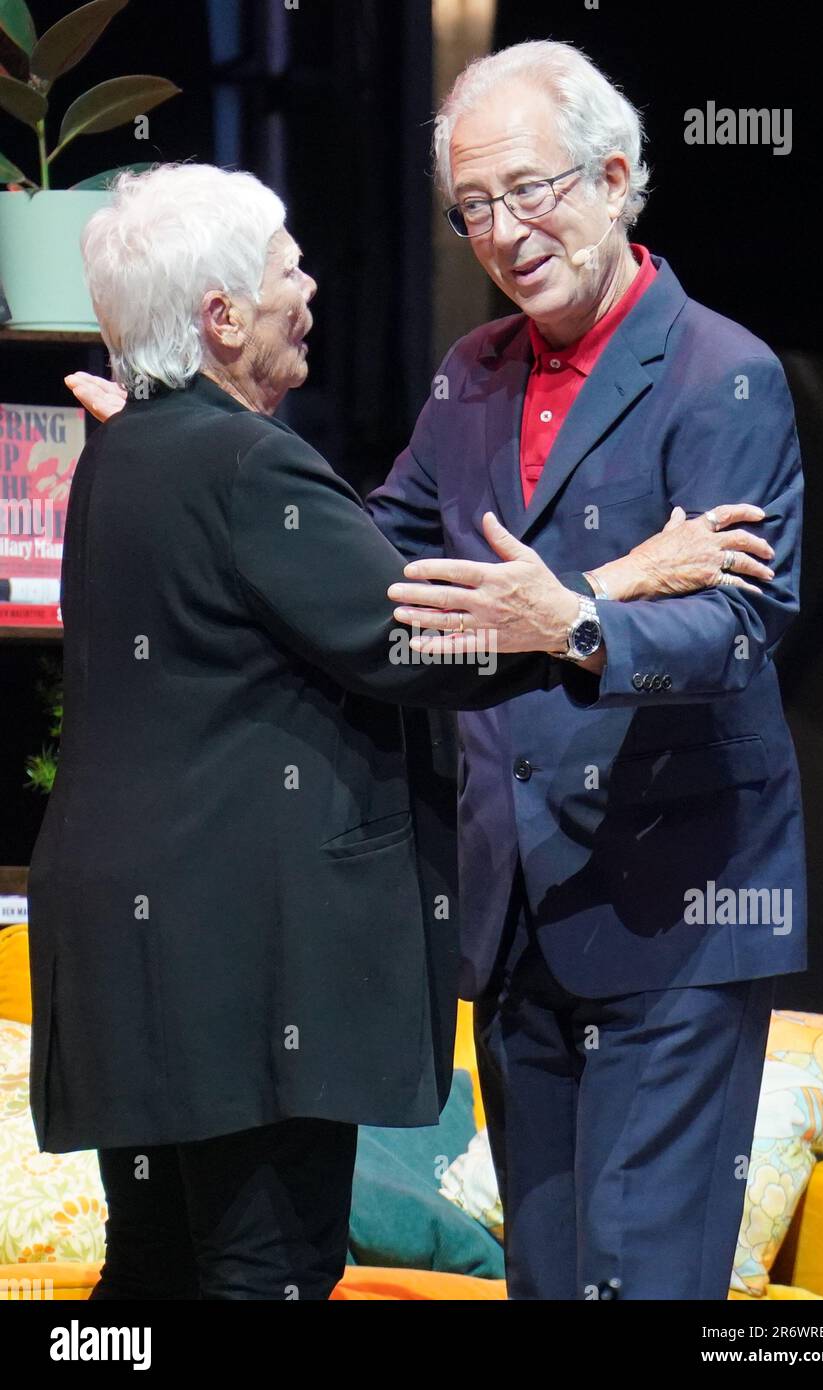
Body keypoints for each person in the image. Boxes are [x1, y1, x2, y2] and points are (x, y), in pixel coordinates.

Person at [48, 162, 770, 1300]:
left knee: (151, 1267)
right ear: (221, 317)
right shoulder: (239, 461)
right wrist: (625, 575)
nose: (312, 285)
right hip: (244, 961)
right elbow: (415, 641)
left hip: (133, 953)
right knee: (264, 1268)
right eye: (288, 265)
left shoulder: (126, 452)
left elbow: (346, 577)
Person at [367, 40, 806, 1300]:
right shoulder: (469, 374)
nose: (502, 232)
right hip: (519, 910)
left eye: (529, 191)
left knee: (639, 1283)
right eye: (474, 208)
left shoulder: (724, 373)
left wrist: (571, 619)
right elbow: (381, 575)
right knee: (550, 1282)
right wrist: (206, 451)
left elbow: (734, 629)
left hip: (676, 907)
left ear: (615, 177)